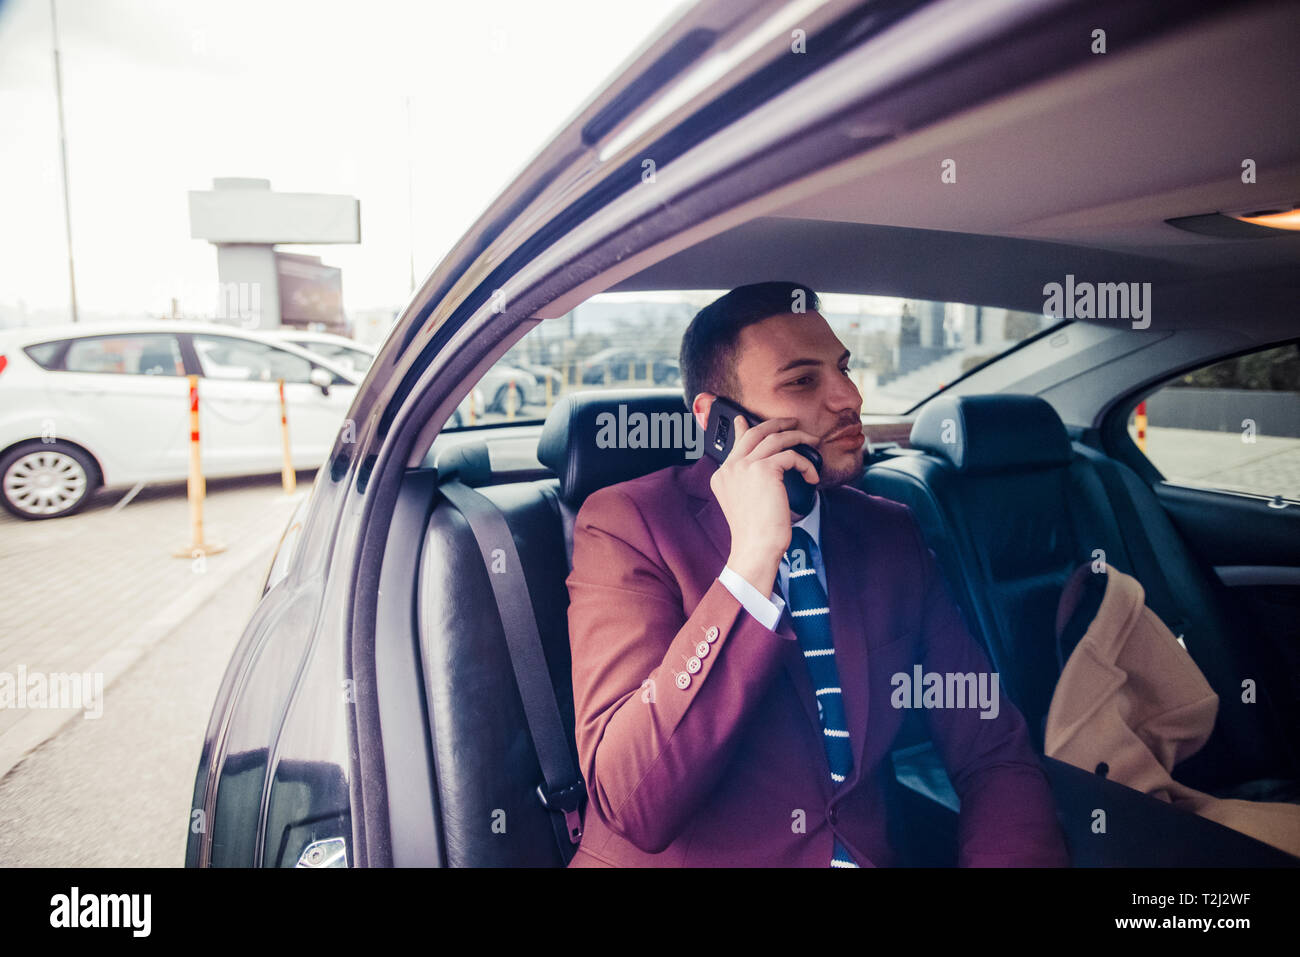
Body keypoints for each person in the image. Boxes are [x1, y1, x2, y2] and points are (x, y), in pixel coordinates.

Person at [565, 281, 1068, 867]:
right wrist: (750, 566)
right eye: (803, 380)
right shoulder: (629, 525)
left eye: (844, 369)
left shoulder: (889, 533)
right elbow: (634, 804)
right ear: (717, 420)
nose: (848, 397)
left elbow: (991, 749)